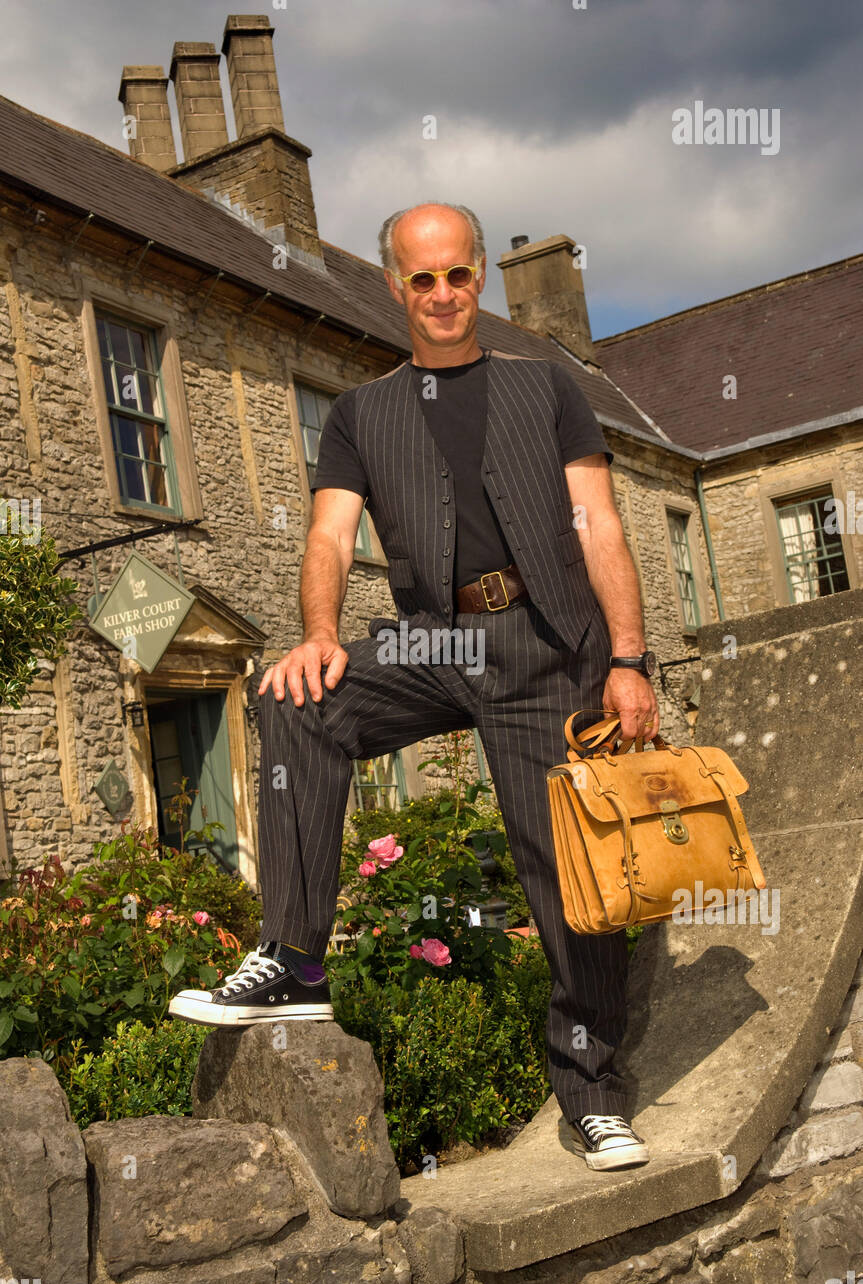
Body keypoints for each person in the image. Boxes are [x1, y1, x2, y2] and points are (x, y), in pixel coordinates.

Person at [170, 202, 659, 1171]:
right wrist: (318, 637)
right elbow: (326, 535)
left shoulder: (547, 386)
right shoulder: (361, 413)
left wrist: (628, 659)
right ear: (396, 286)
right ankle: (294, 960)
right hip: (435, 639)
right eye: (422, 278)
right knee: (295, 697)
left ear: (478, 277)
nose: (441, 294)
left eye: (457, 275)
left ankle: (593, 1093)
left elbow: (598, 523)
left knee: (564, 872)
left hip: (545, 643)